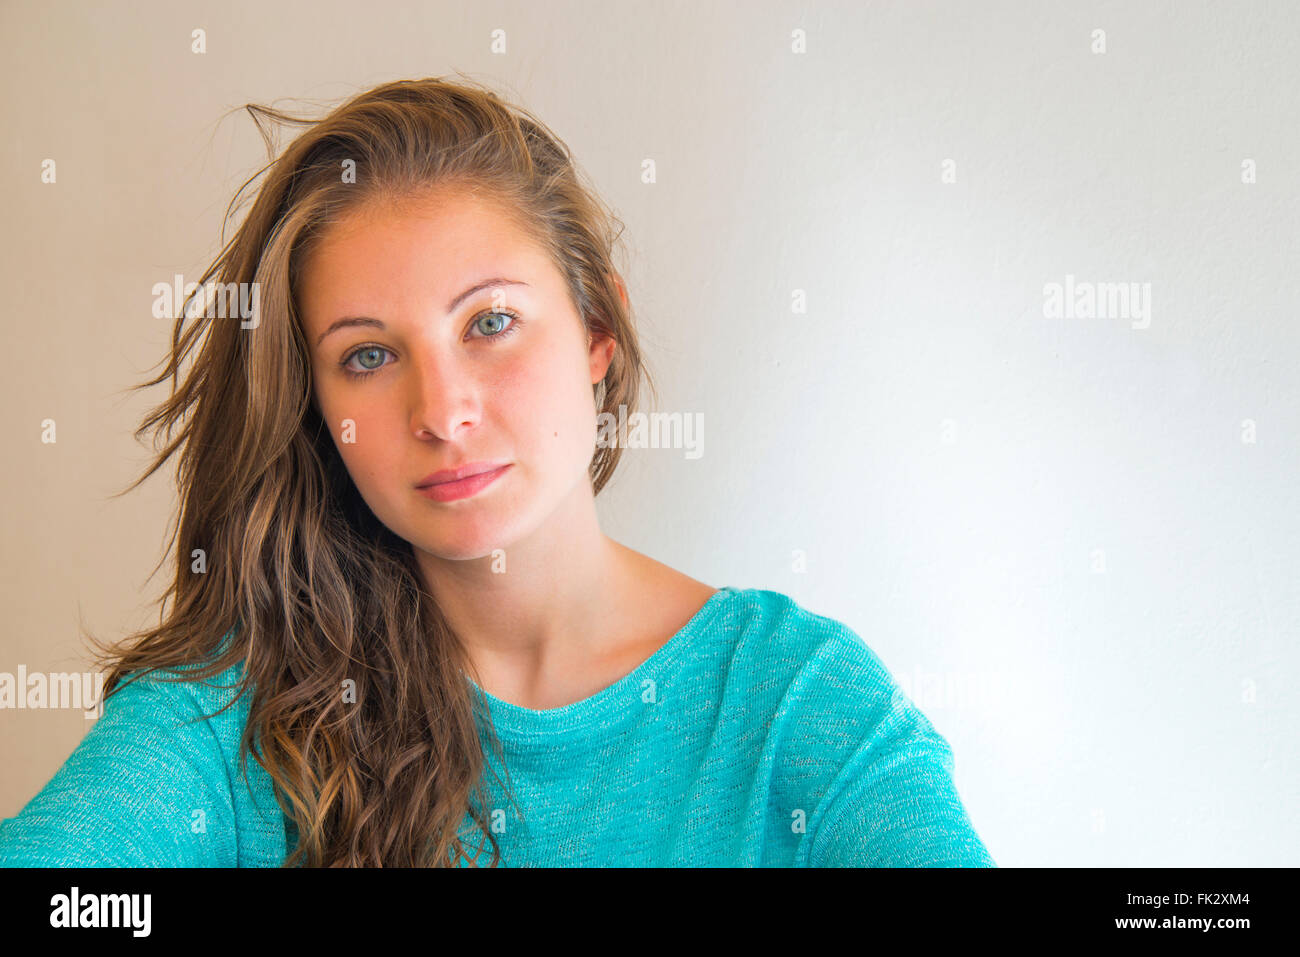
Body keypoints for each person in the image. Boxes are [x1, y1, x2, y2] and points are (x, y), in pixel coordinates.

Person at [0, 75, 995, 868]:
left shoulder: (794, 709)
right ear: (319, 408)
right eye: (369, 356)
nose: (441, 413)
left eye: (490, 323)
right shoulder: (232, 716)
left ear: (597, 329)